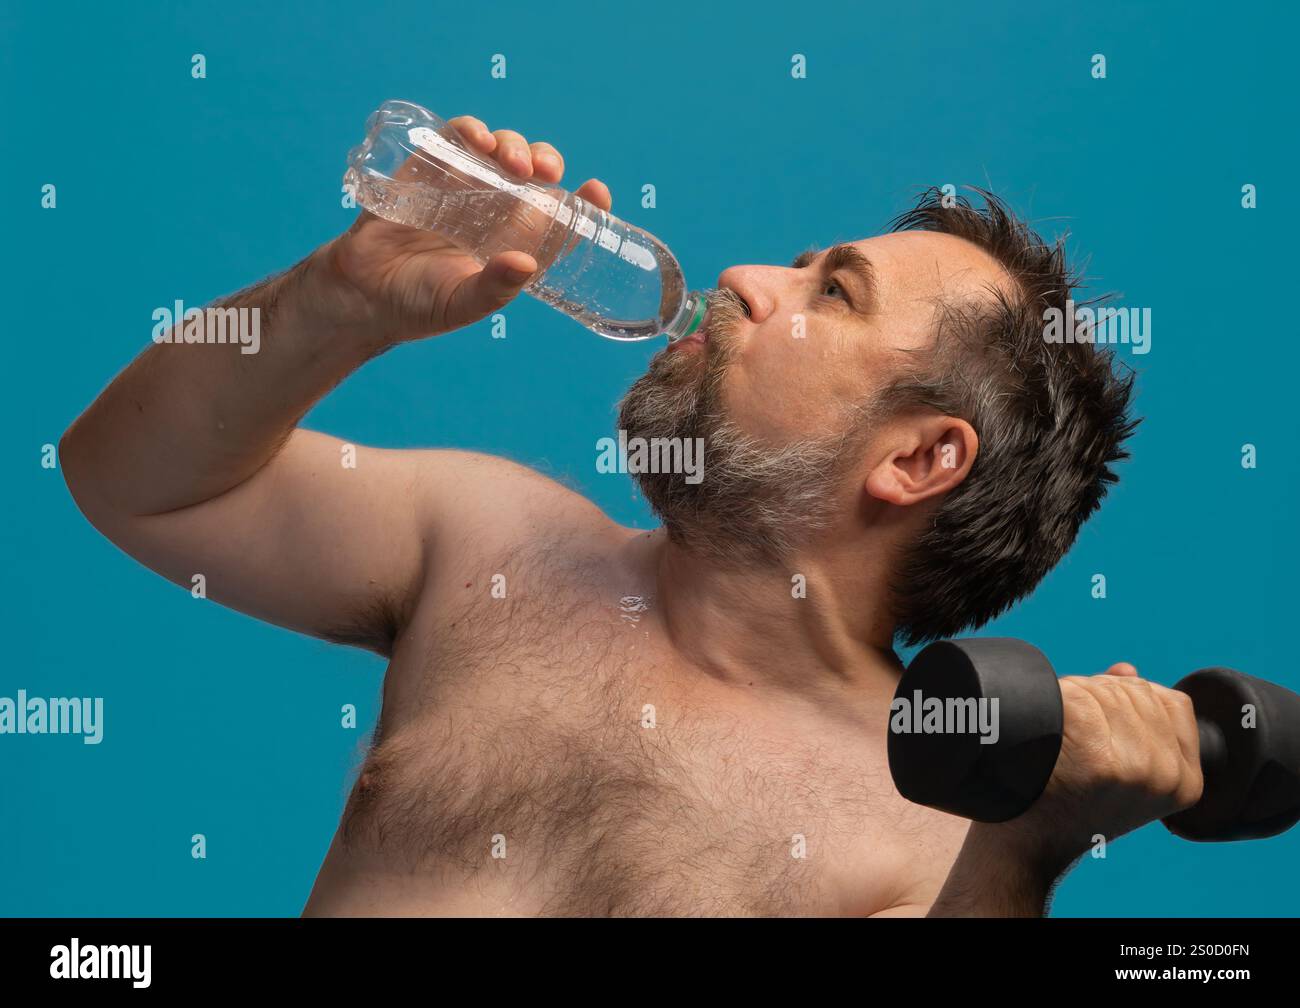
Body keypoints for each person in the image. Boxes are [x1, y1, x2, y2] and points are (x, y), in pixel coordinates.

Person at [61, 115, 1201, 917]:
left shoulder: (930, 837)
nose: (747, 277)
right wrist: (333, 304)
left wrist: (1022, 851)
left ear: (915, 458)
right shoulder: (492, 543)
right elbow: (134, 477)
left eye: (831, 292)